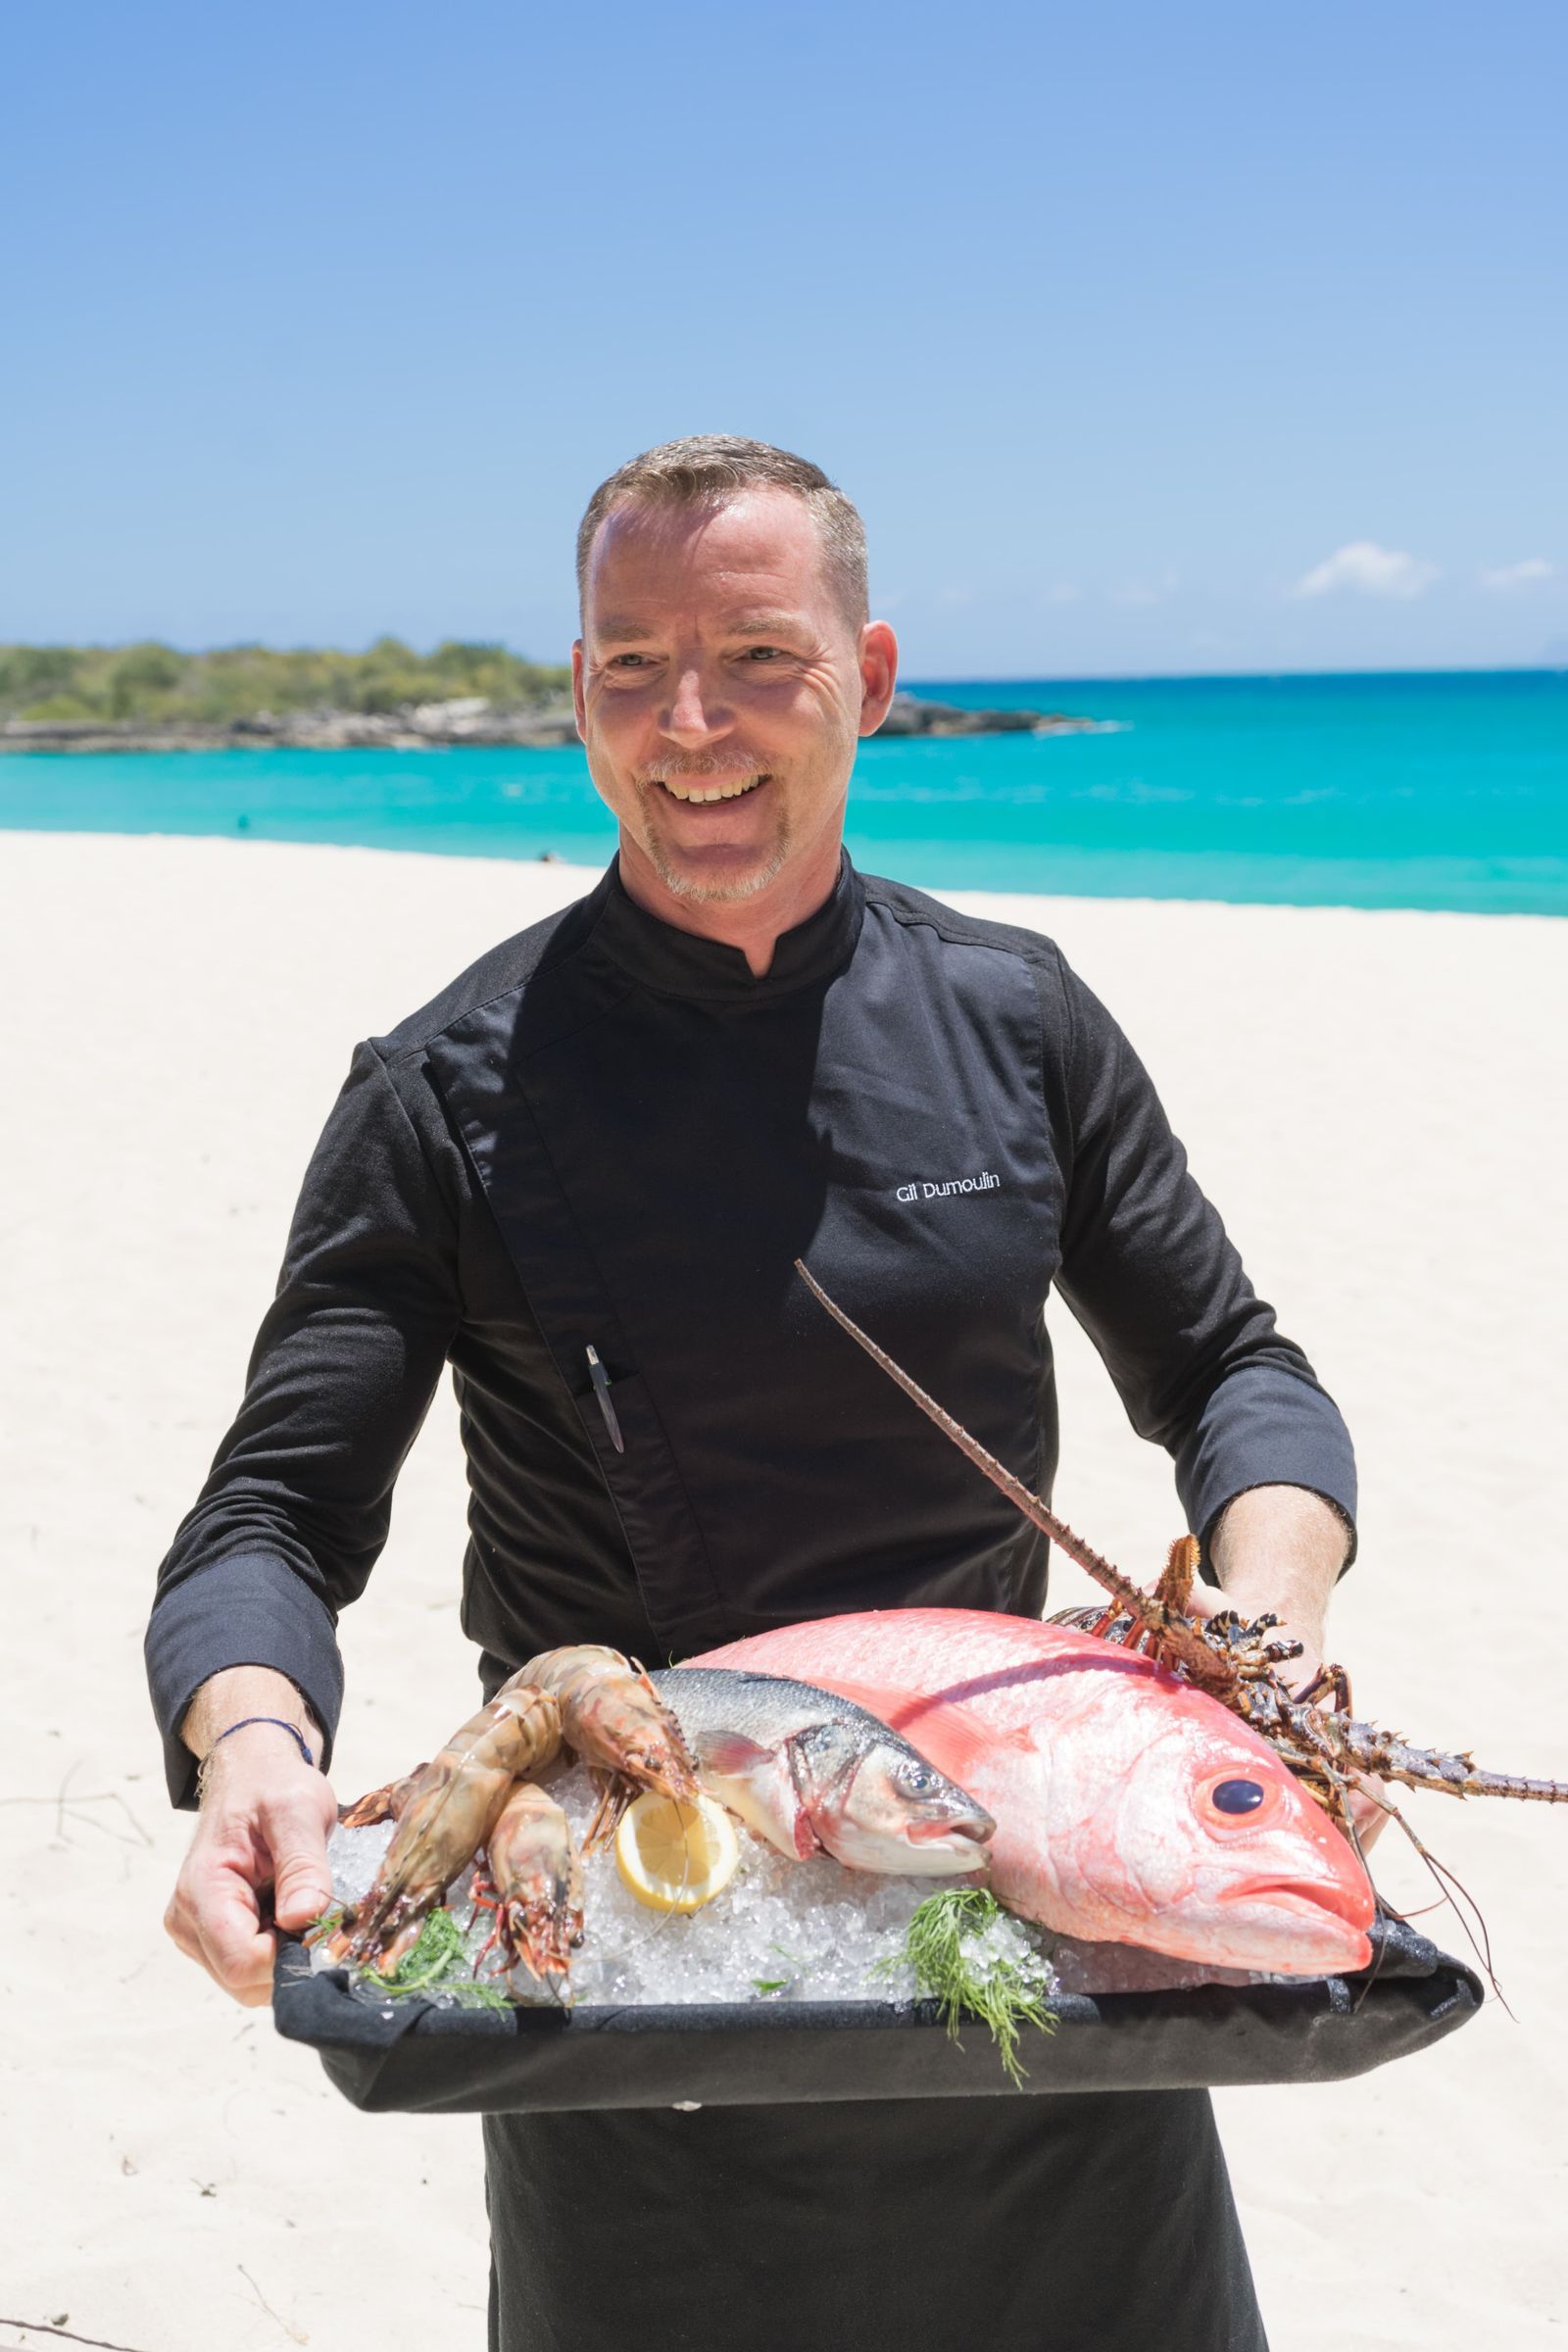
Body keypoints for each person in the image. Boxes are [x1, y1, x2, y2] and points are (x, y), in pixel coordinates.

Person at [151, 434, 1363, 2352]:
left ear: (866, 678)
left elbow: (1235, 1371)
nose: (690, 726)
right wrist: (247, 1751)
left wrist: (1265, 1621)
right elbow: (272, 1518)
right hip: (636, 1959)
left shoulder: (1015, 1017)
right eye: (633, 666)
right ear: (578, 693)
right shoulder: (444, 1087)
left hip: (1017, 1926)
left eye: (756, 659)